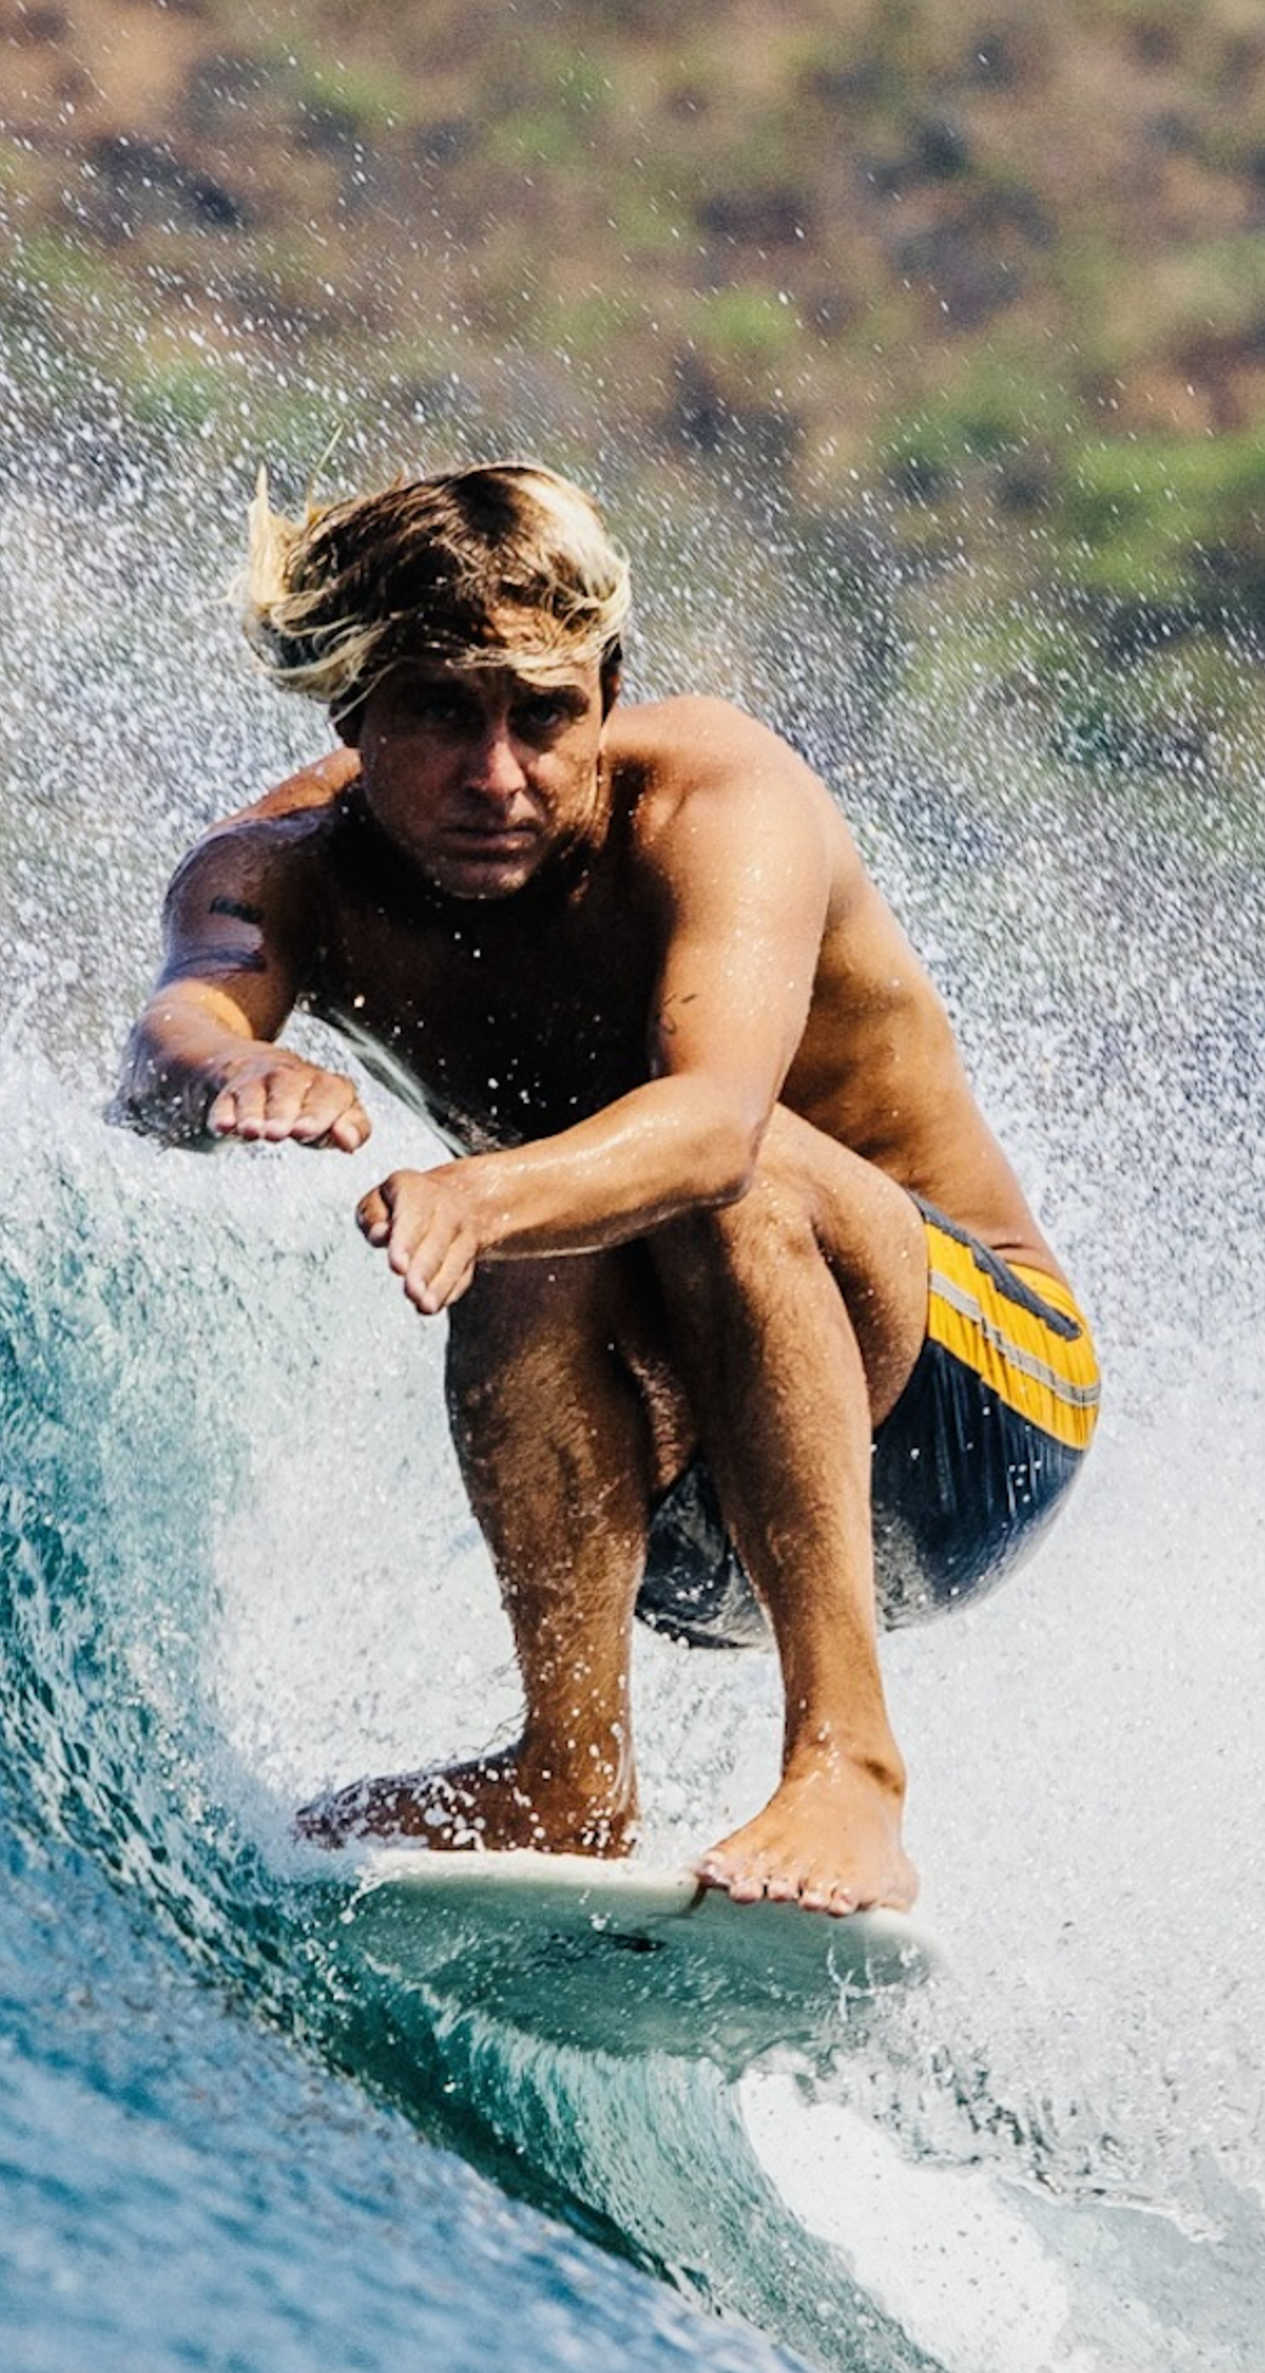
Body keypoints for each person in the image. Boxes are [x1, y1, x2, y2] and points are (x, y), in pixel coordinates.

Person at [116, 464, 1096, 1917]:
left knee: (685, 1176)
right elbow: (180, 1027)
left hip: (974, 1420)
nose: (497, 774)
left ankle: (851, 1768)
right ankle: (568, 1773)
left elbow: (709, 1128)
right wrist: (229, 1080)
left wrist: (481, 1199)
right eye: (442, 713)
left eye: (544, 715)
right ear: (352, 717)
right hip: (693, 1511)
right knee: (551, 1218)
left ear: (609, 690)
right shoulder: (283, 873)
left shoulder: (716, 799)